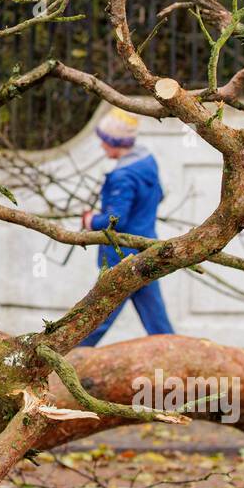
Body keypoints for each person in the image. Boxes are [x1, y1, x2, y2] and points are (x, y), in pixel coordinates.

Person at [78, 106, 174, 346]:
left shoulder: (123, 176)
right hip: (146, 250)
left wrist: (91, 221)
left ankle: (70, 357)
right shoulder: (147, 162)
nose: (102, 146)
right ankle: (176, 354)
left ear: (114, 141)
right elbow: (159, 194)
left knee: (99, 316)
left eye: (104, 141)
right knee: (157, 322)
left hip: (122, 258)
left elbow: (116, 219)